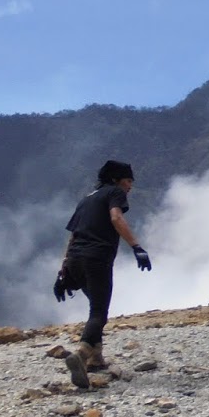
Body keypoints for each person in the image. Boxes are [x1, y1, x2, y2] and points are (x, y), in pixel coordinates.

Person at [58, 160, 151, 388]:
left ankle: (96, 359)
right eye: (128, 181)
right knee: (99, 312)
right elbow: (116, 218)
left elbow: (73, 236)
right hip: (96, 258)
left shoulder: (86, 199)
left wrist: (62, 272)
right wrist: (136, 247)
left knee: (95, 307)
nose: (130, 186)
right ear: (116, 180)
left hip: (75, 261)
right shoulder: (114, 193)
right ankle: (81, 355)